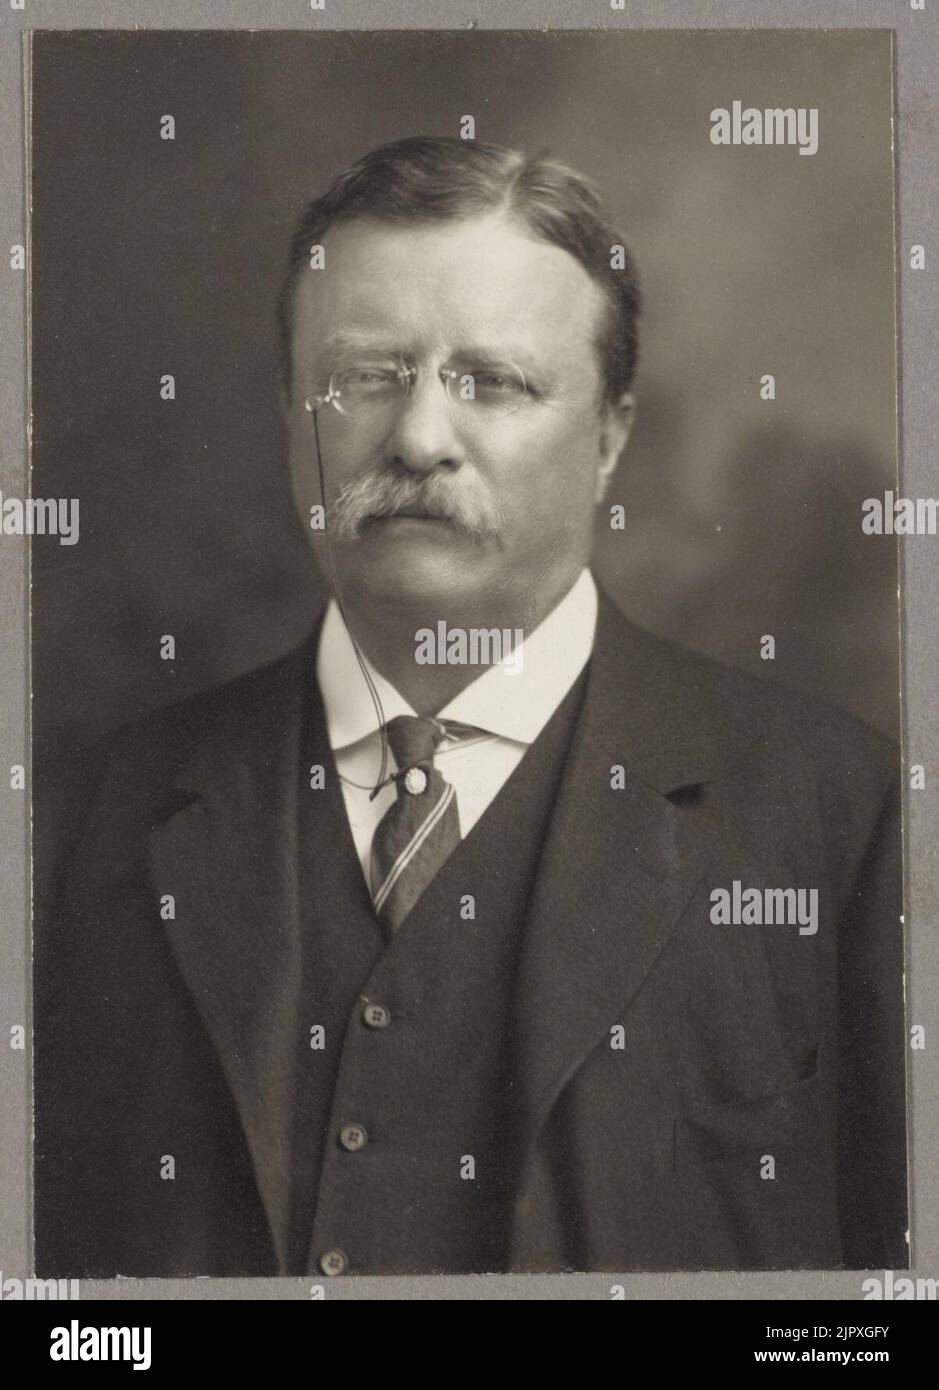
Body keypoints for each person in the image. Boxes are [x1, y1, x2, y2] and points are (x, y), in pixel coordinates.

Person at [34, 136, 907, 1278]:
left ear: (609, 436)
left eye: (491, 381)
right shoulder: (71, 828)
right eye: (364, 378)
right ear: (292, 416)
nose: (418, 439)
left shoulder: (843, 815)